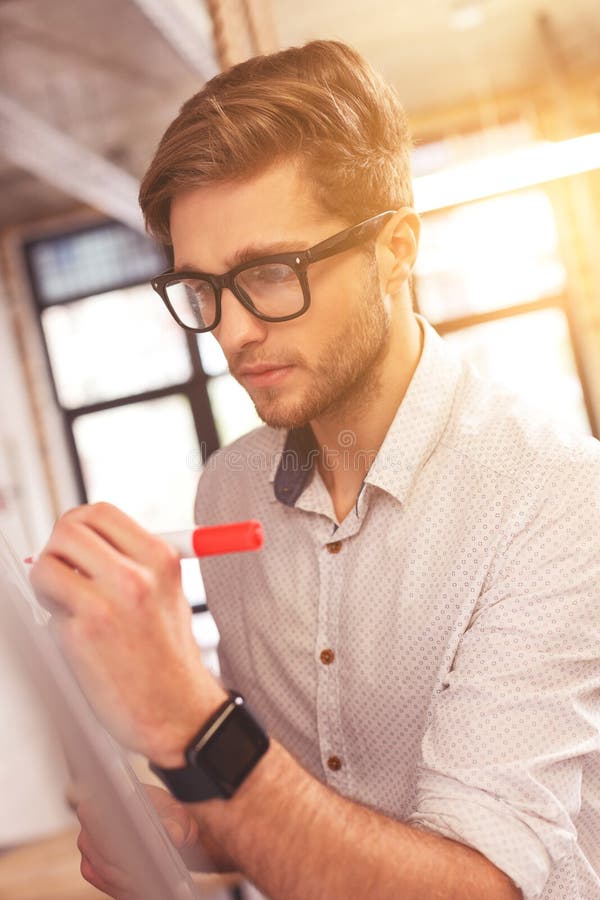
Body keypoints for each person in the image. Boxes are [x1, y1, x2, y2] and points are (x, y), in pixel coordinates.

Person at [30, 40, 600, 900]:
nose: (231, 332)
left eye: (269, 273)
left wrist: (191, 716)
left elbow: (480, 888)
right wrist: (189, 834)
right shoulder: (227, 491)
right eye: (203, 289)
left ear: (397, 248)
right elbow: (309, 819)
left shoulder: (558, 499)